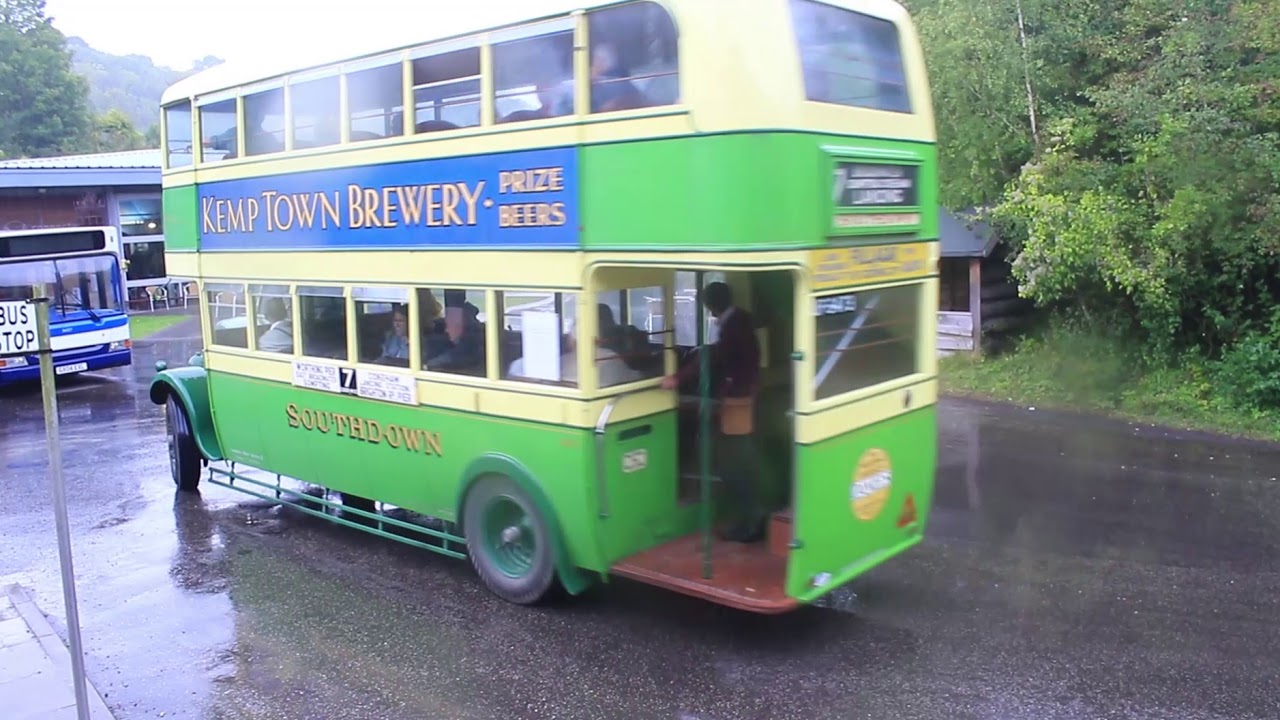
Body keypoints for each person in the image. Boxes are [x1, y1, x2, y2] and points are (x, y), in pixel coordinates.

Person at [661, 281, 763, 542]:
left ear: (709, 306)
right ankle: (751, 519)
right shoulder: (739, 320)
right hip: (742, 399)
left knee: (731, 464)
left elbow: (713, 357)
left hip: (736, 402)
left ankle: (748, 524)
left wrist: (678, 379)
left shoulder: (732, 328)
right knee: (739, 462)